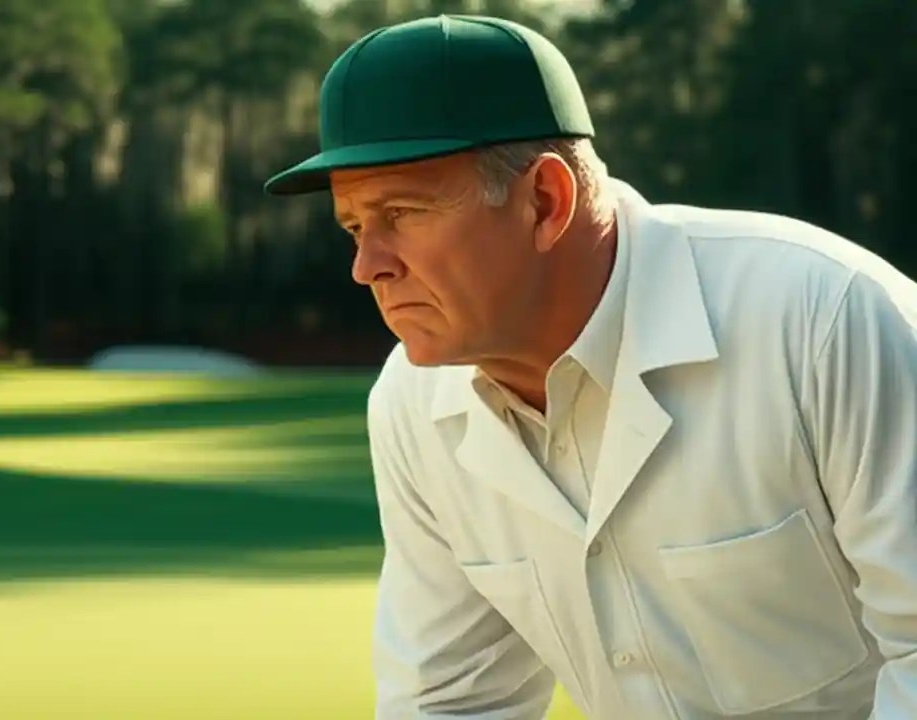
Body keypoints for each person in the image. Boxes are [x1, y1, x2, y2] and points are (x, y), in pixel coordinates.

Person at [263, 14, 917, 720]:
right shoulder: (412, 404)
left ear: (546, 201)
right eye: (356, 227)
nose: (368, 267)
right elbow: (452, 702)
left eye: (402, 212)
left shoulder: (824, 320)